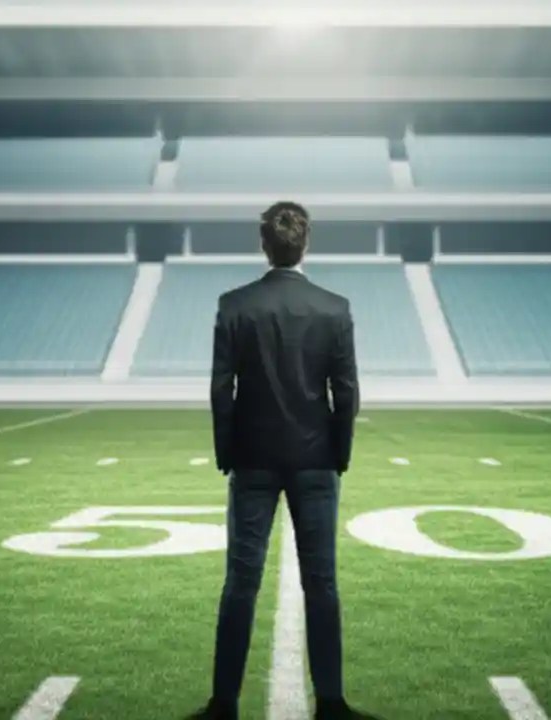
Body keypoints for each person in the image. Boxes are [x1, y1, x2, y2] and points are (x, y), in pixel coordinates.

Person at [192, 202, 374, 720]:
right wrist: (339, 455)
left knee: (240, 582)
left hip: (251, 460)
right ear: (306, 243)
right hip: (316, 459)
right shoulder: (334, 308)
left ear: (263, 245)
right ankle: (332, 704)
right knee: (322, 583)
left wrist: (227, 451)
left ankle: (223, 704)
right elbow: (347, 390)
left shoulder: (234, 305)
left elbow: (220, 389)